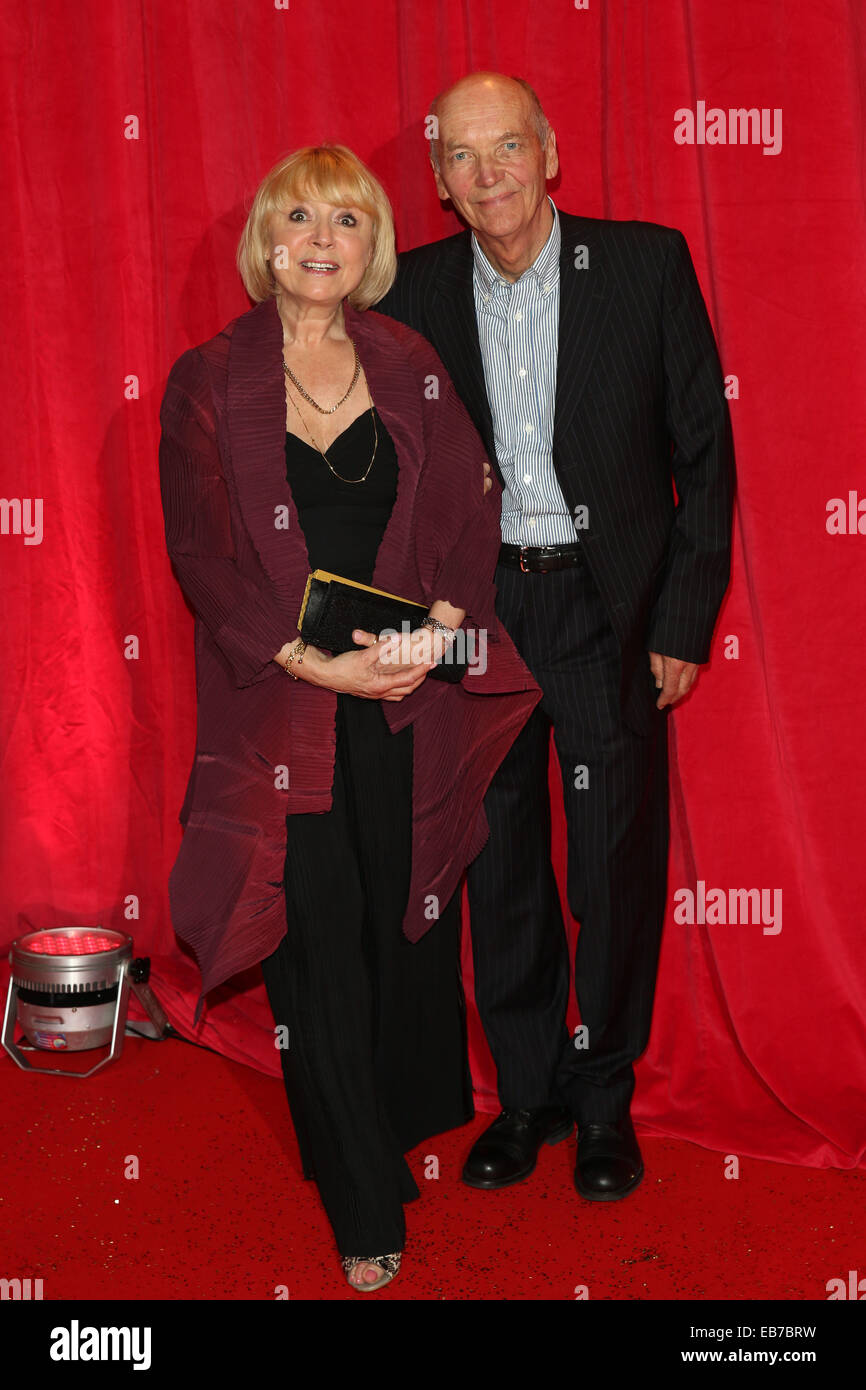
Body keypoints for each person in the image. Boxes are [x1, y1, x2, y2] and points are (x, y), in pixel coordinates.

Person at [157, 143, 541, 1291]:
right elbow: (200, 552)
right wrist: (308, 665)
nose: (323, 241)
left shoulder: (406, 359)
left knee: (399, 919)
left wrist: (435, 628)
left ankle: (379, 1125)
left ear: (370, 246)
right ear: (266, 241)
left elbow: (471, 507)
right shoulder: (205, 376)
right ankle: (363, 1199)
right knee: (315, 935)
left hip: (404, 700)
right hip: (285, 707)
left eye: (348, 222)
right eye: (301, 219)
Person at [376, 73, 734, 1202]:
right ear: (438, 182)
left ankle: (601, 1100)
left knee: (613, 866)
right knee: (501, 864)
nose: (487, 177)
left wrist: (680, 619)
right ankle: (523, 1098)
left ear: (549, 154)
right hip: (479, 616)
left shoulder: (643, 263)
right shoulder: (417, 290)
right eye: (463, 159)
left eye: (507, 150)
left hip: (602, 611)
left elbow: (704, 463)